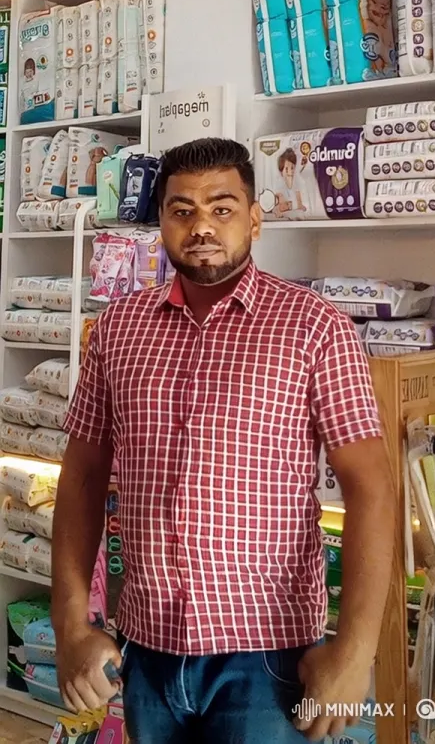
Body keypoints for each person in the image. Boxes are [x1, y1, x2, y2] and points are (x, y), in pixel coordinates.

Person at [52, 137, 393, 744]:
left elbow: (372, 489)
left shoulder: (315, 328)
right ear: (160, 222)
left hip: (267, 659)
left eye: (222, 207)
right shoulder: (117, 331)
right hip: (145, 651)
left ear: (255, 219)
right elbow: (80, 479)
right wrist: (72, 625)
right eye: (182, 210)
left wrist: (356, 649)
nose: (201, 225)